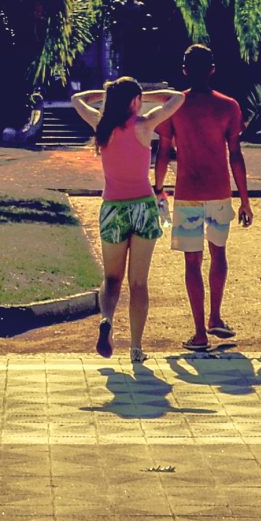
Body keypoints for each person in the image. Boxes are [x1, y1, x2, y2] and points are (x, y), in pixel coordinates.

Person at [70, 77, 186, 365]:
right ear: (135, 100)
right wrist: (145, 94)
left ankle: (107, 320)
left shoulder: (101, 124)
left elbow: (77, 99)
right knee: (138, 283)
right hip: (143, 207)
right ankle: (135, 348)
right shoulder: (144, 124)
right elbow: (178, 97)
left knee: (112, 279)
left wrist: (108, 95)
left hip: (113, 208)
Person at [152, 44, 252, 352]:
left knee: (192, 262)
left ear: (184, 70)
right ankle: (215, 317)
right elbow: (236, 155)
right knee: (218, 254)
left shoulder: (175, 106)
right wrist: (245, 200)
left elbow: (164, 152)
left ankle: (199, 333)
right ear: (212, 70)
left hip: (188, 194)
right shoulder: (229, 106)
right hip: (219, 191)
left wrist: (158, 187)